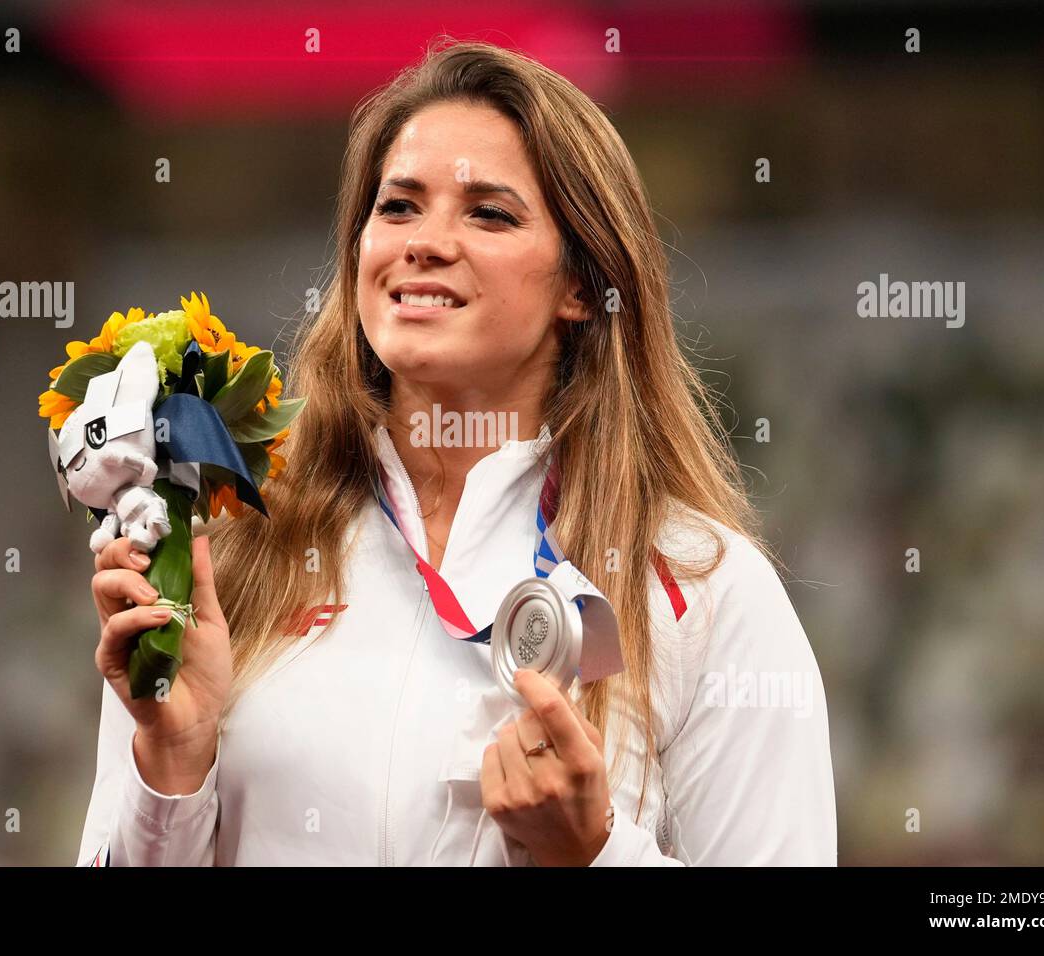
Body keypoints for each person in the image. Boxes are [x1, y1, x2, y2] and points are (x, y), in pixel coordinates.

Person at [77, 39, 836, 867]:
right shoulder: (225, 552)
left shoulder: (701, 589)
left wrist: (593, 855)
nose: (424, 242)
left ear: (582, 284)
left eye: (489, 213)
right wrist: (172, 766)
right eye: (398, 207)